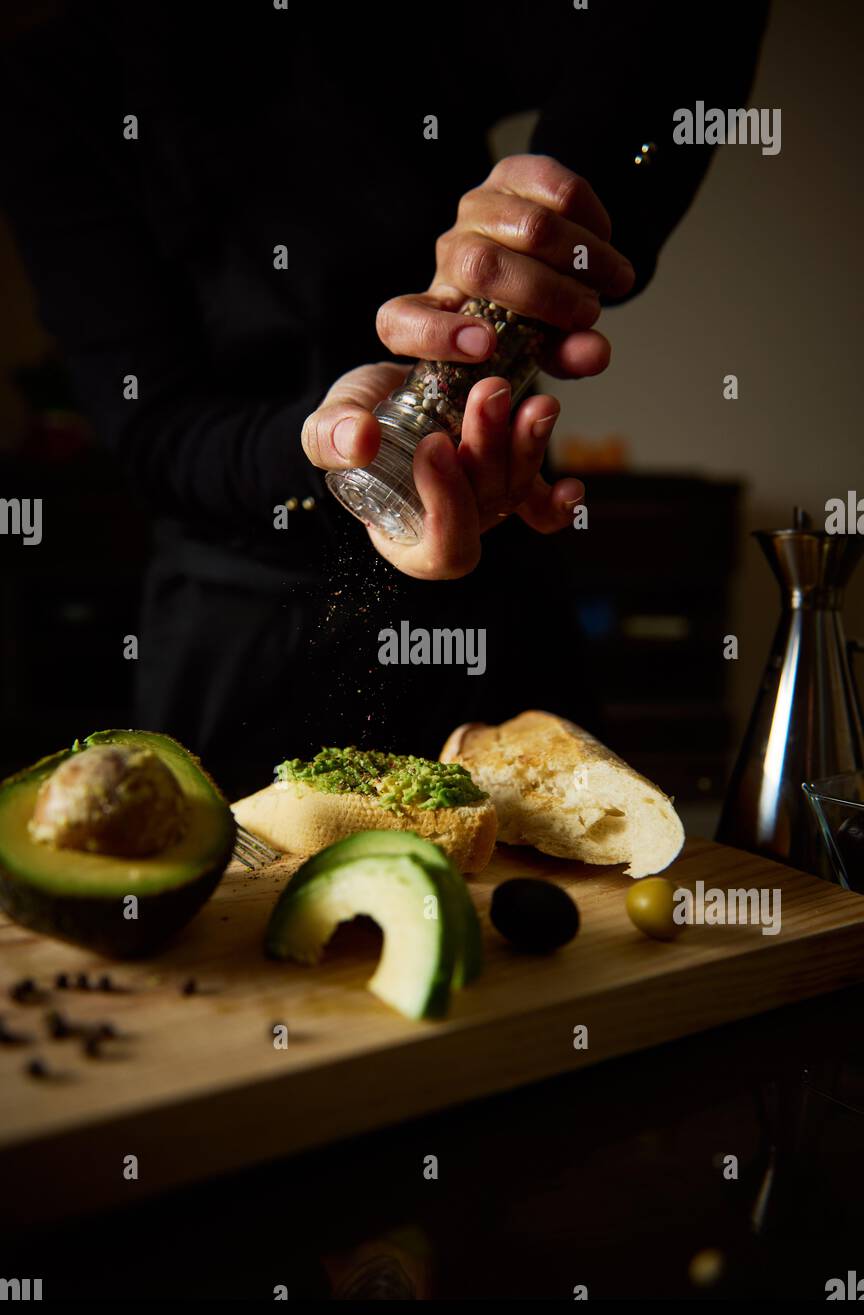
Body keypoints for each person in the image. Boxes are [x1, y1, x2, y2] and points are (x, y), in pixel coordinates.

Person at [1, 1, 769, 797]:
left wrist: (554, 218)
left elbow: (680, 24)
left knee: (565, 906)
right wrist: (332, 438)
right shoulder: (54, 83)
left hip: (490, 571)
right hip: (247, 636)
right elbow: (157, 429)